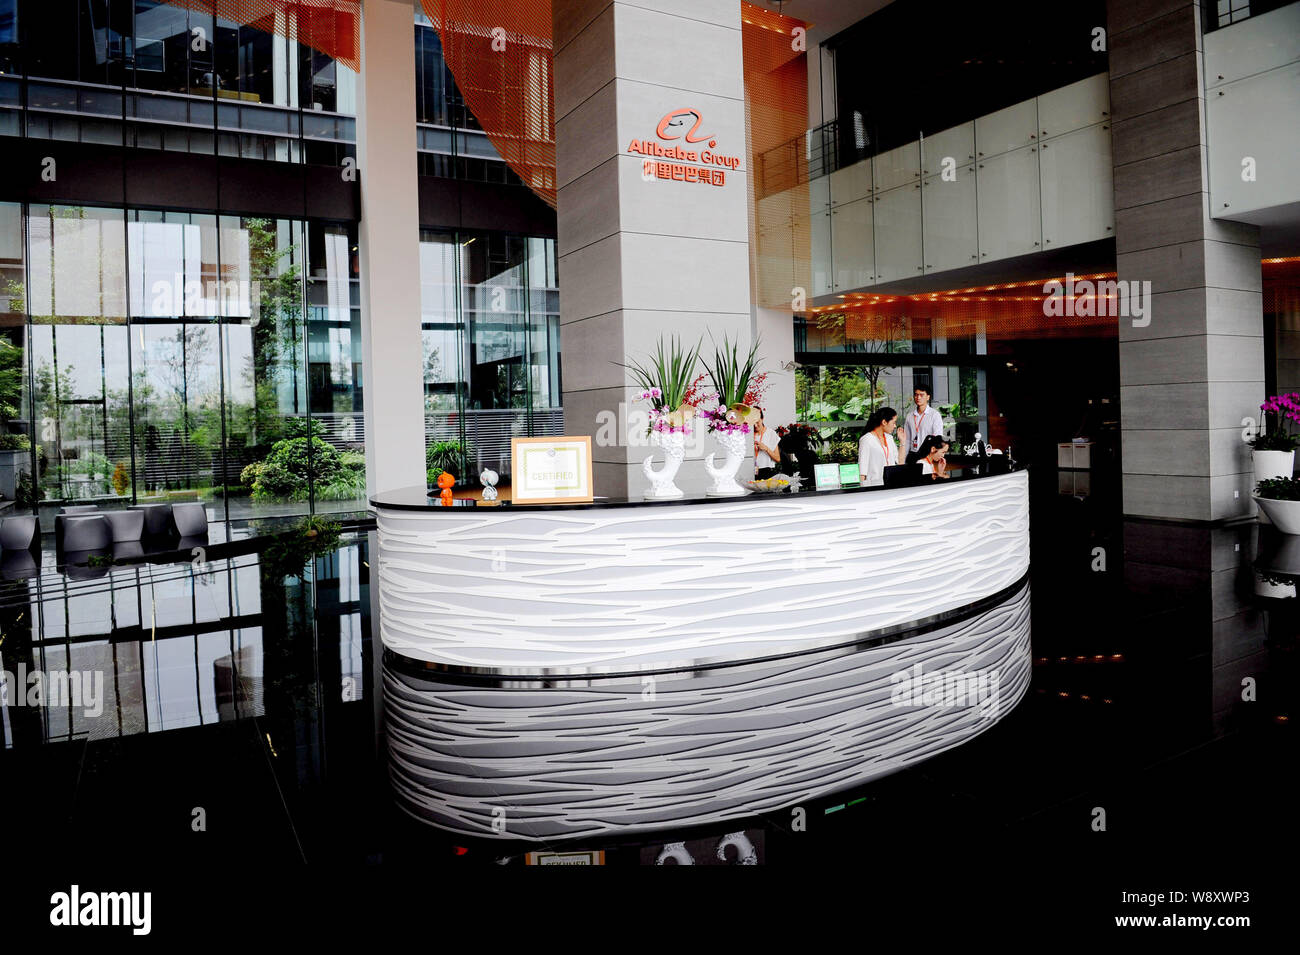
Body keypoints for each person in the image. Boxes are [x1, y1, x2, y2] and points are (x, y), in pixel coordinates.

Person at [900, 385, 944, 465]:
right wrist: (902, 459)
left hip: (927, 455)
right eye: (916, 395)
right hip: (912, 454)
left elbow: (937, 437)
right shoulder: (910, 416)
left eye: (921, 395)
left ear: (928, 397)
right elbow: (907, 440)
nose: (918, 397)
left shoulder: (934, 415)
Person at [857, 406, 898, 487]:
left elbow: (899, 462)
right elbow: (862, 469)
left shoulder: (889, 438)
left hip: (891, 485)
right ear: (884, 422)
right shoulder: (867, 439)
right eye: (893, 422)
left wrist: (903, 442)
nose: (895, 426)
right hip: (874, 487)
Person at [753, 408, 781, 479]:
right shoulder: (748, 434)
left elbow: (777, 459)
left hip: (766, 472)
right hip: (750, 471)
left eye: (757, 422)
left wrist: (766, 448)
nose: (755, 425)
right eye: (753, 422)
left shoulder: (771, 433)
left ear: (762, 419)